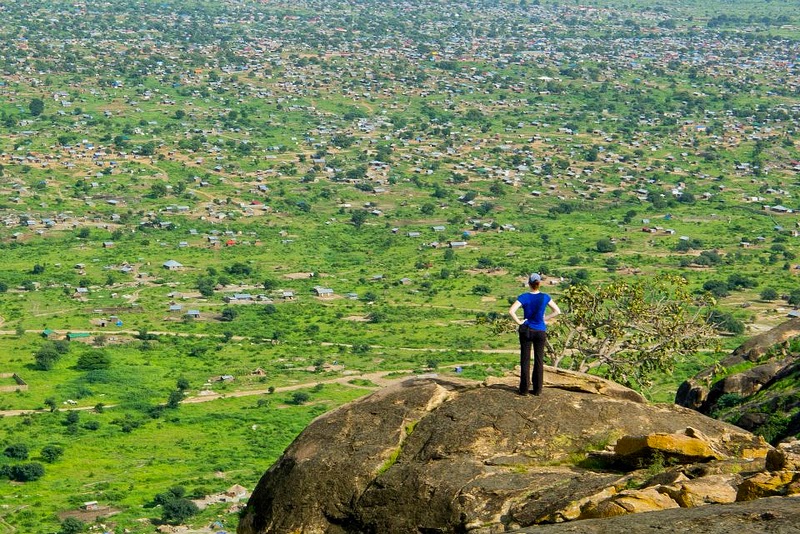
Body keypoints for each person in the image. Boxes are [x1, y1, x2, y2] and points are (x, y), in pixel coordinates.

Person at [508, 273, 561, 396]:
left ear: (529, 283)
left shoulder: (524, 297)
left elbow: (511, 311)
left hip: (526, 330)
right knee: (539, 360)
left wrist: (519, 322)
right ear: (539, 283)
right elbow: (557, 311)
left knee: (525, 359)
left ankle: (524, 389)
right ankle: (537, 390)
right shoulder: (545, 297)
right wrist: (545, 319)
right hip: (540, 331)